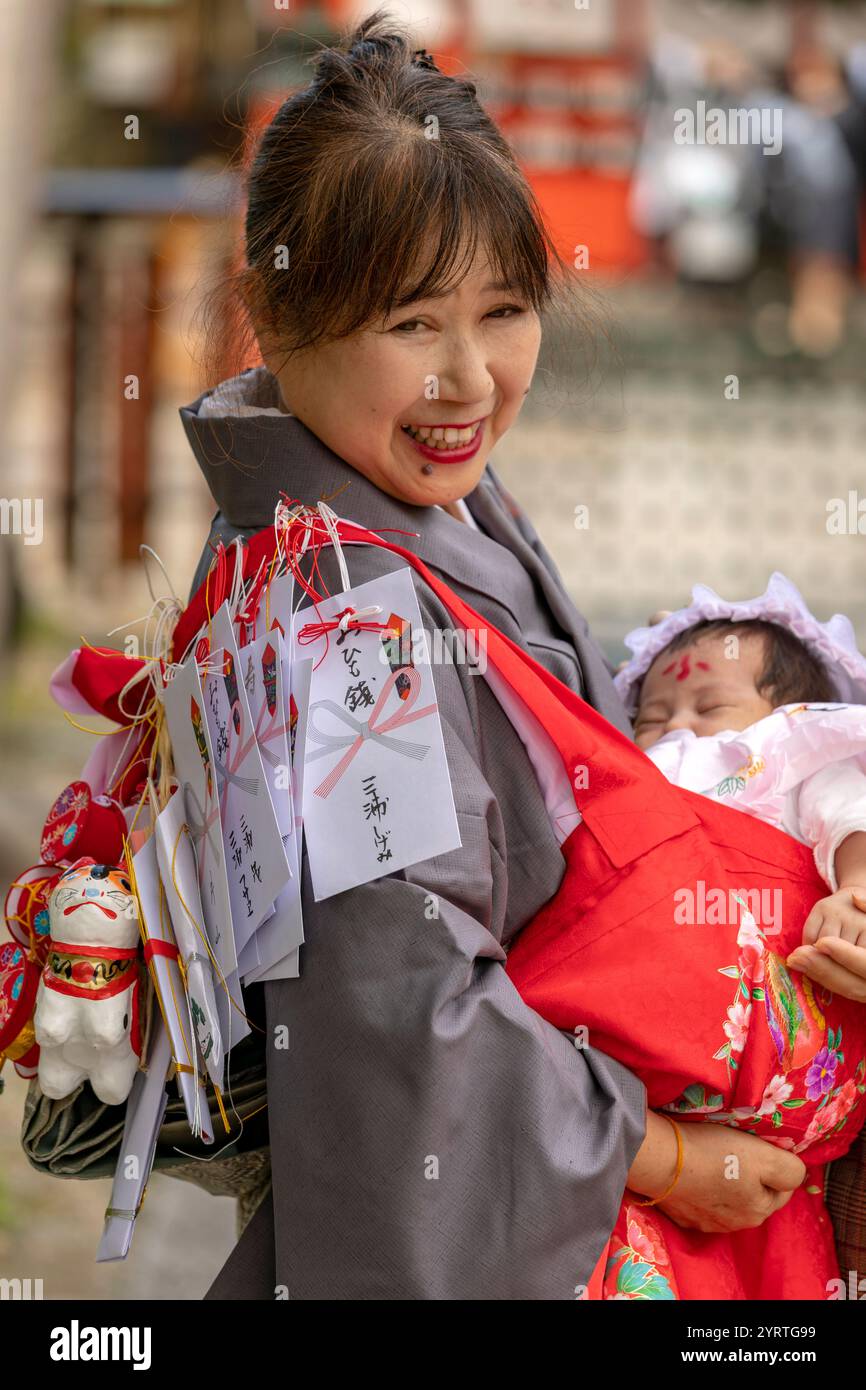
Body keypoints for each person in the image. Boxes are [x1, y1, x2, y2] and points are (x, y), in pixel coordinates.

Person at [177, 10, 806, 1300]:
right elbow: (395, 1009)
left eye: (504, 312)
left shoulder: (410, 501)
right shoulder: (349, 622)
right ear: (274, 313)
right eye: (410, 324)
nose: (469, 379)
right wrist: (658, 1150)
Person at [503, 572, 866, 1298]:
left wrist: (855, 892)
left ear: (788, 714)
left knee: (776, 1260)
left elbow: (850, 814)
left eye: (710, 706)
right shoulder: (634, 778)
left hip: (767, 1083)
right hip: (645, 1075)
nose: (676, 729)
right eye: (653, 714)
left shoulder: (783, 759)